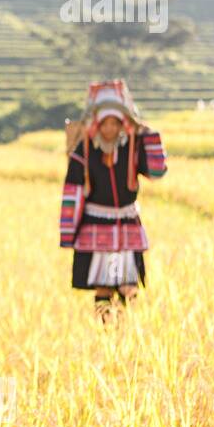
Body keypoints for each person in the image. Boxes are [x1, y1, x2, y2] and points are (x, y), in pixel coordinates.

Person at [59, 79, 167, 322]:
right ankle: (107, 333)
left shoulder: (133, 147)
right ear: (97, 125)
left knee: (128, 286)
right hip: (96, 225)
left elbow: (158, 172)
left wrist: (149, 135)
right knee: (104, 287)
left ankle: (128, 334)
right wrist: (68, 233)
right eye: (105, 123)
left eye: (115, 123)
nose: (109, 128)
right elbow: (72, 193)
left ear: (122, 124)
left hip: (127, 225)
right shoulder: (84, 151)